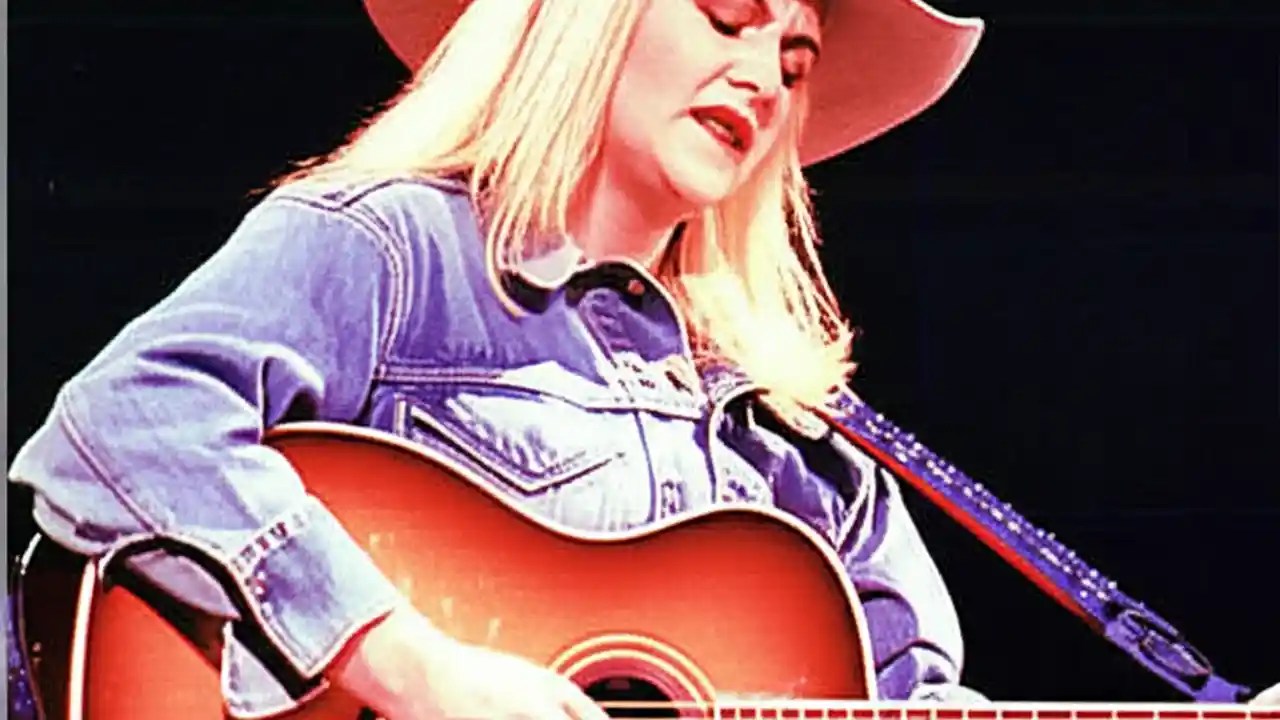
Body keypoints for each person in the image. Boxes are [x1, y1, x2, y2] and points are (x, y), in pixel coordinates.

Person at [8, 0, 994, 717]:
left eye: (793, 60)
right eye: (728, 16)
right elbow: (122, 423)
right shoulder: (395, 250)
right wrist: (408, 668)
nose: (762, 79)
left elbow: (912, 689)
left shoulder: (790, 433)